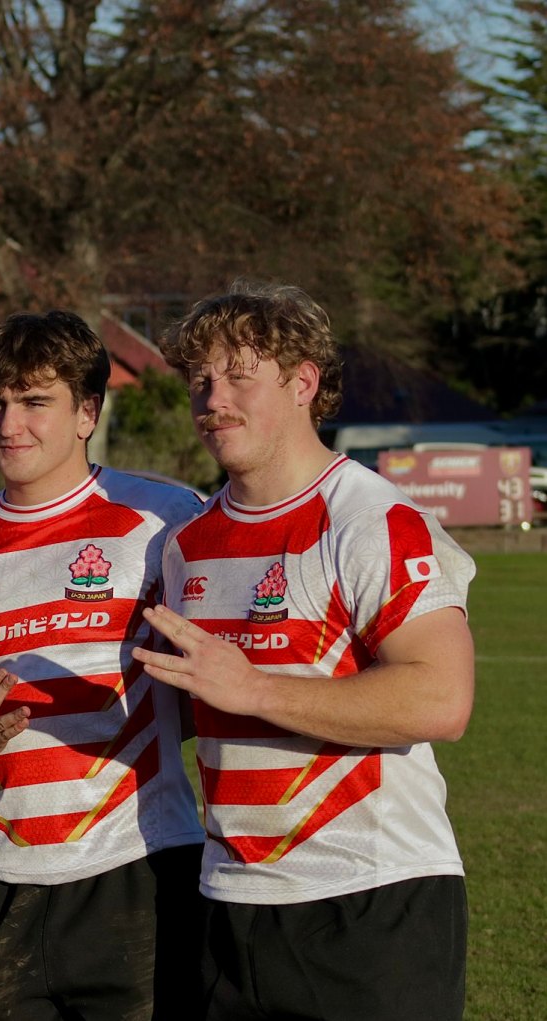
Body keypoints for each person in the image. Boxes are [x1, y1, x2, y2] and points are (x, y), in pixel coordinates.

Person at [133, 282, 474, 1021]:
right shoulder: (184, 545)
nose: (211, 398)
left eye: (237, 375)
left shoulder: (371, 519)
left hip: (371, 900)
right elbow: (192, 709)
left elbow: (440, 698)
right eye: (199, 380)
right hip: (231, 902)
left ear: (302, 382)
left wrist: (255, 688)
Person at [0, 310, 206, 1021]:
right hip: (5, 883)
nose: (7, 423)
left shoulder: (164, 516)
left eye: (33, 400)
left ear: (87, 412)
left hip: (144, 868)